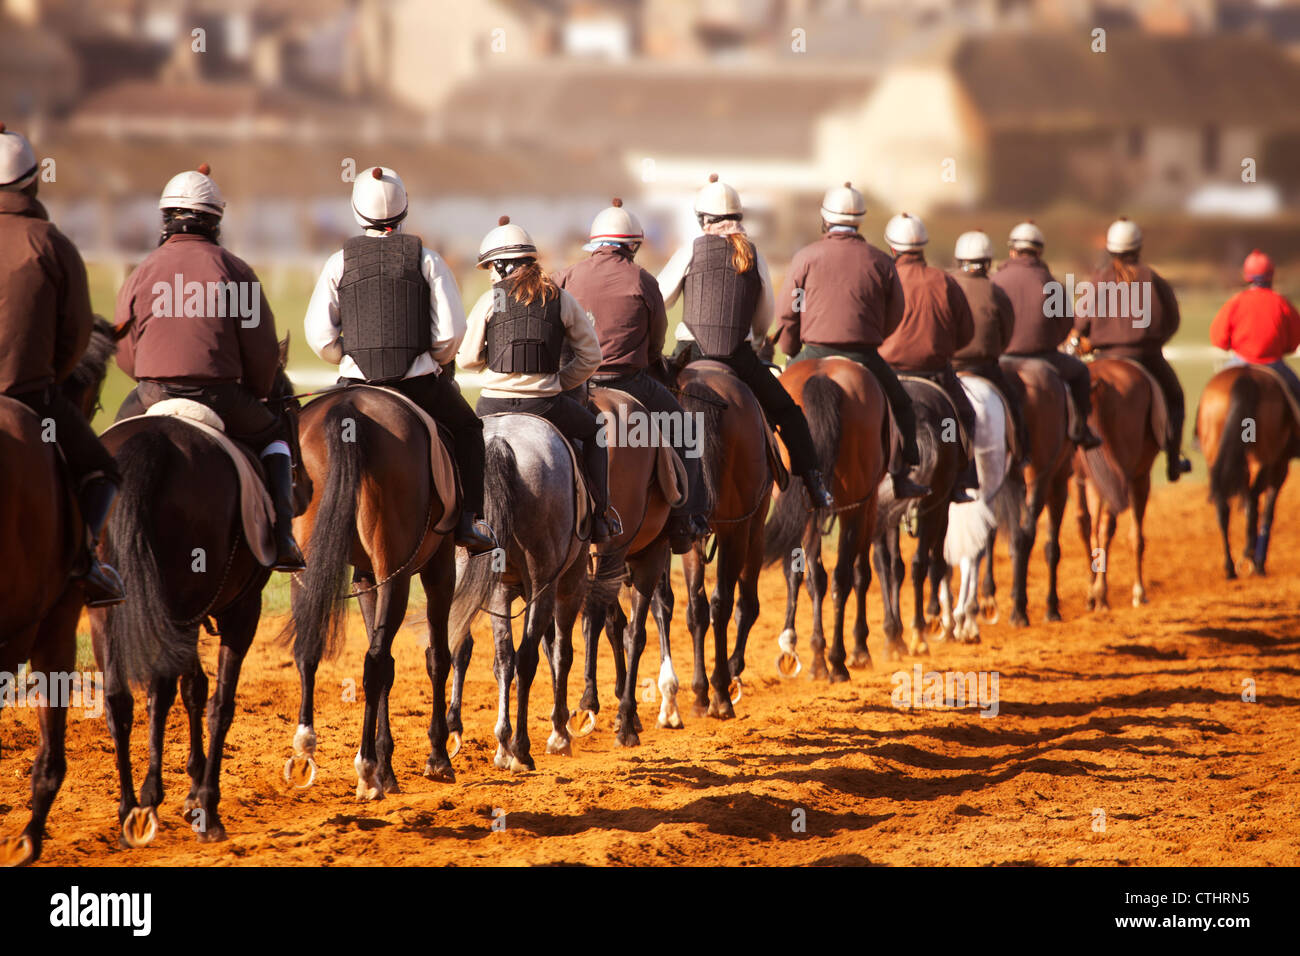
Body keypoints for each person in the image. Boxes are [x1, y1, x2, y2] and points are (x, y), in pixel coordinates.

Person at [115, 163, 305, 571]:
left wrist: (152, 377)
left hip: (151, 393)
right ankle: (284, 536)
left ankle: (90, 543)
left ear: (166, 219)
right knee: (275, 435)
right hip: (221, 397)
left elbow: (125, 352)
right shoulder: (236, 272)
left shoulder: (141, 271)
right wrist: (256, 390)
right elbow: (262, 356)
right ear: (215, 221)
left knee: (112, 444)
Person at [304, 165, 494, 553]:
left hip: (355, 382)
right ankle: (470, 523)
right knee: (469, 430)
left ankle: (289, 525)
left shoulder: (337, 262)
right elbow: (450, 335)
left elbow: (319, 335)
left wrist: (348, 357)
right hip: (419, 385)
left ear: (357, 212)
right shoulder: (428, 260)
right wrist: (431, 359)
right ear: (404, 208)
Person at [0, 123, 123, 605]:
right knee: (102, 470)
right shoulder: (53, 244)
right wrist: (43, 377)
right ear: (34, 183)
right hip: (31, 395)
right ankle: (84, 562)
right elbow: (75, 336)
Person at [658, 174, 834, 510]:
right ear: (739, 218)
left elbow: (661, 297)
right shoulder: (754, 255)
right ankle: (814, 482)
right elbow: (764, 317)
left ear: (702, 220)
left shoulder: (690, 251)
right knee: (787, 411)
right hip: (738, 356)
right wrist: (749, 335)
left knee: (651, 410)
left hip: (690, 352)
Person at [554, 198, 710, 552]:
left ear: (594, 244)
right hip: (628, 382)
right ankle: (686, 518)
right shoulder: (643, 279)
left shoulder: (566, 275)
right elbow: (656, 340)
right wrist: (651, 360)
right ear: (632, 245)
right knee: (685, 429)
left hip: (574, 384)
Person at [459, 216, 621, 543]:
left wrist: (491, 363)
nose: (491, 275)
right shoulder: (560, 298)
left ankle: (465, 519)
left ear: (504, 266)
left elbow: (466, 359)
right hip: (545, 405)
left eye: (492, 267)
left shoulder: (490, 300)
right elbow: (591, 357)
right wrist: (558, 382)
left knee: (462, 443)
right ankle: (601, 517)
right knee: (595, 433)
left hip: (492, 405)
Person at [772, 182, 928, 500]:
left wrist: (790, 350)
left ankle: (770, 472)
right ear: (859, 221)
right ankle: (903, 473)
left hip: (811, 351)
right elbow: (896, 312)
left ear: (826, 220)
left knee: (772, 407)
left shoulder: (805, 256)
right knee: (902, 404)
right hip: (864, 355)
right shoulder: (881, 260)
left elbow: (787, 312)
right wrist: (872, 337)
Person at [1074, 217, 1191, 481]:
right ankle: (1173, 460)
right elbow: (1172, 320)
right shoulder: (1152, 277)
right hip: (1146, 357)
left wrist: (1088, 339)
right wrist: (1153, 340)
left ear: (1111, 249)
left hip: (1102, 356)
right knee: (1176, 398)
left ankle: (1071, 457)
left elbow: (1080, 322)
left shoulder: (1098, 279)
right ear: (1137, 247)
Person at [876, 212, 978, 502]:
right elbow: (966, 332)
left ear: (892, 248)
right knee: (964, 417)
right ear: (922, 247)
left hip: (886, 374)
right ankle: (960, 478)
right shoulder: (944, 281)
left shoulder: (883, 277)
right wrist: (942, 348)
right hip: (936, 374)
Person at [992, 221, 1102, 449]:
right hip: (1043, 358)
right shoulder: (1051, 283)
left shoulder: (994, 281)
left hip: (1000, 360)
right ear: (1040, 251)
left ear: (1012, 251)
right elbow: (1066, 325)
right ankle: (1081, 430)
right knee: (1081, 372)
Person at [948, 229, 1030, 459]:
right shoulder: (995, 291)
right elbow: (1007, 331)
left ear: (959, 259)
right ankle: (1021, 453)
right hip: (985, 368)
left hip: (949, 368)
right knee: (1013, 403)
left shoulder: (947, 286)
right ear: (987, 262)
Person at [1210, 249, 1300, 405]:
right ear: (1271, 276)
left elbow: (1218, 339)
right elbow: (1294, 341)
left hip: (1240, 362)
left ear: (1247, 277)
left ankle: (1200, 427)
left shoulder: (1235, 302)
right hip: (1274, 365)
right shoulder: (1282, 303)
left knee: (1212, 393)